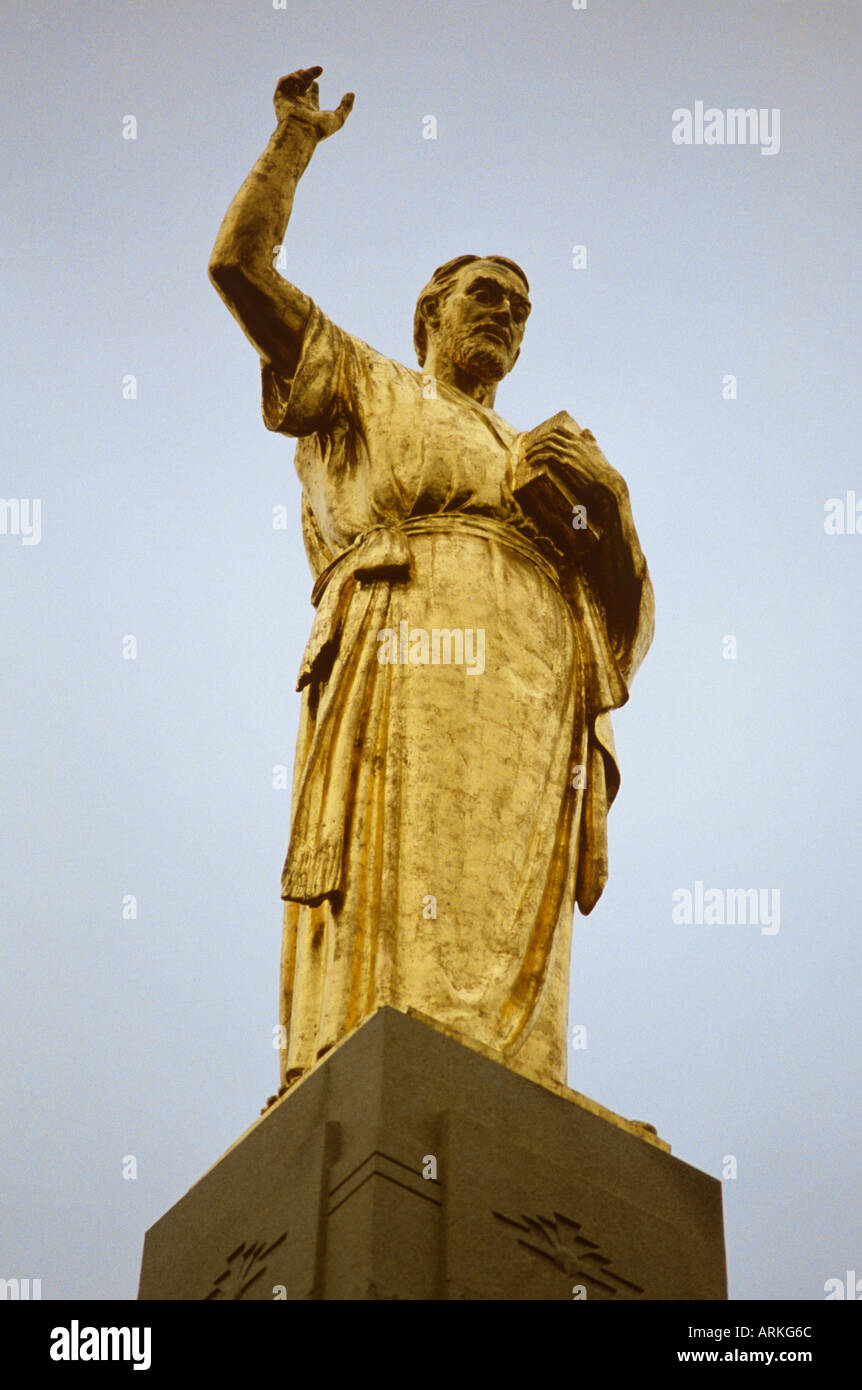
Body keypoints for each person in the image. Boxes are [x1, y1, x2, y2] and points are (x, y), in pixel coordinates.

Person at [209, 68, 654, 1093]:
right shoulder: (368, 387)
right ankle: (382, 1057)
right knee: (403, 886)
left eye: (521, 308)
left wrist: (609, 505)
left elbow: (618, 633)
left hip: (535, 694)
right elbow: (237, 267)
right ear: (432, 313)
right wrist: (292, 143)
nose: (504, 315)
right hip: (406, 649)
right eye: (484, 294)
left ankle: (518, 1073)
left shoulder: (543, 458)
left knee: (503, 894)